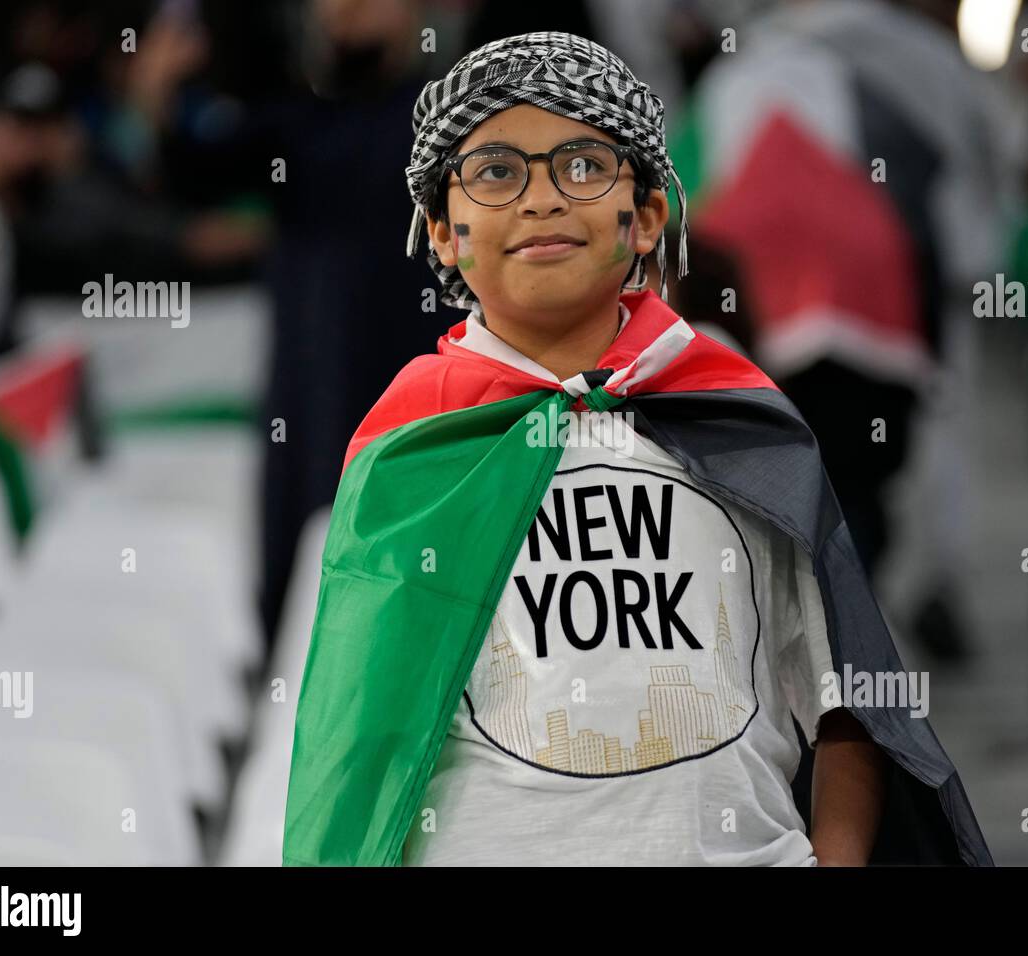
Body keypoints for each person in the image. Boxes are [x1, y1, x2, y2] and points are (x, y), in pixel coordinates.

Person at [282, 31, 991, 867]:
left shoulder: (738, 421)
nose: (542, 200)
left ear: (647, 215)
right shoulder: (413, 450)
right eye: (497, 172)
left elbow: (850, 698)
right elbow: (355, 744)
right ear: (444, 231)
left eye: (583, 166)